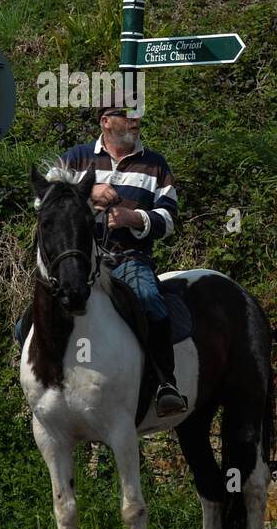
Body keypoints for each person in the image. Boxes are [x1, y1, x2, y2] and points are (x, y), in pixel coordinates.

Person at [61, 96, 186, 417]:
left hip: (129, 258)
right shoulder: (76, 158)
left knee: (148, 297)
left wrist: (135, 219)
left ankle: (164, 384)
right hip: (79, 261)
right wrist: (87, 191)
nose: (136, 120)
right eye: (127, 115)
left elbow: (170, 219)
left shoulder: (156, 164)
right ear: (105, 121)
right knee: (37, 311)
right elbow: (44, 200)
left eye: (138, 114)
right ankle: (39, 379)